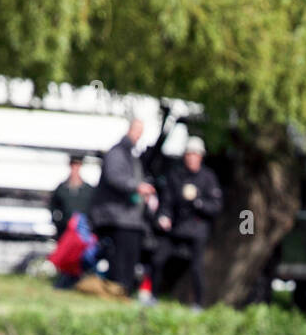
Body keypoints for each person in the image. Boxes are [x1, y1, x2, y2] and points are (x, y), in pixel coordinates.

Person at [150, 137, 223, 309]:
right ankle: (152, 297)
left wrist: (198, 202)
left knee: (197, 267)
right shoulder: (175, 176)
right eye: (189, 154)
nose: (192, 157)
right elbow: (166, 201)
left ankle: (198, 304)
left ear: (200, 157)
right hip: (176, 227)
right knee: (158, 259)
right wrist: (164, 216)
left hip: (197, 229)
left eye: (195, 154)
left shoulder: (208, 178)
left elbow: (215, 206)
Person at [90, 119, 156, 294]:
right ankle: (117, 291)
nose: (138, 135)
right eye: (136, 131)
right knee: (121, 259)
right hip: (116, 216)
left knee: (131, 257)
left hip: (130, 218)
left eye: (140, 132)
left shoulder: (131, 154)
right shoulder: (118, 152)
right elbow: (114, 177)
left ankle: (123, 291)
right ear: (130, 130)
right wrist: (137, 186)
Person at [49, 155, 93, 237]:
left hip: (84, 232)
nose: (75, 169)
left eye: (77, 166)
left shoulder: (88, 189)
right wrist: (58, 221)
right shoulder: (62, 188)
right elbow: (53, 206)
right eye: (73, 166)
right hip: (65, 230)